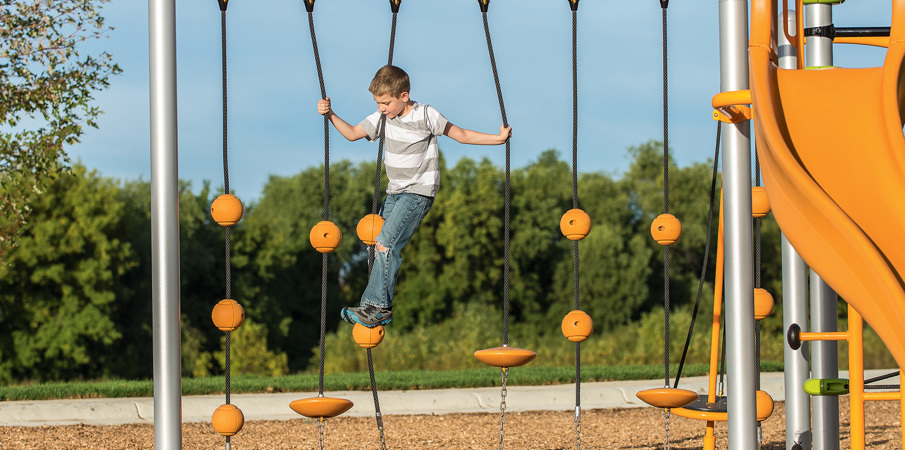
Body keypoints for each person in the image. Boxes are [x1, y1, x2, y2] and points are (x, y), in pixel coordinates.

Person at [317, 65, 511, 327]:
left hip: (418, 192)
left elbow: (462, 135)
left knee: (386, 243)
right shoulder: (382, 117)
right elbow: (352, 134)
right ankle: (370, 306)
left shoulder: (426, 115)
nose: (381, 108)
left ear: (404, 96)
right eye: (377, 103)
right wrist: (330, 114)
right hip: (394, 194)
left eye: (386, 103)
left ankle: (380, 308)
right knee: (375, 246)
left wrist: (498, 139)